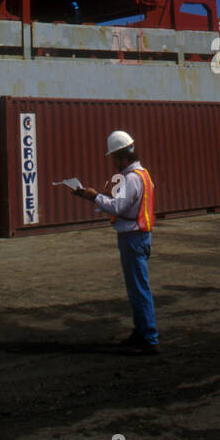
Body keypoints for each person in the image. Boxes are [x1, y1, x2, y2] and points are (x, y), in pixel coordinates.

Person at [72, 130, 159, 355]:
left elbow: (119, 207)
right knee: (137, 287)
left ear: (122, 156)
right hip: (139, 237)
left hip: (133, 238)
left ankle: (149, 336)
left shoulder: (131, 179)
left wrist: (93, 196)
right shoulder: (143, 175)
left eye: (113, 158)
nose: (112, 163)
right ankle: (141, 332)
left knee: (139, 288)